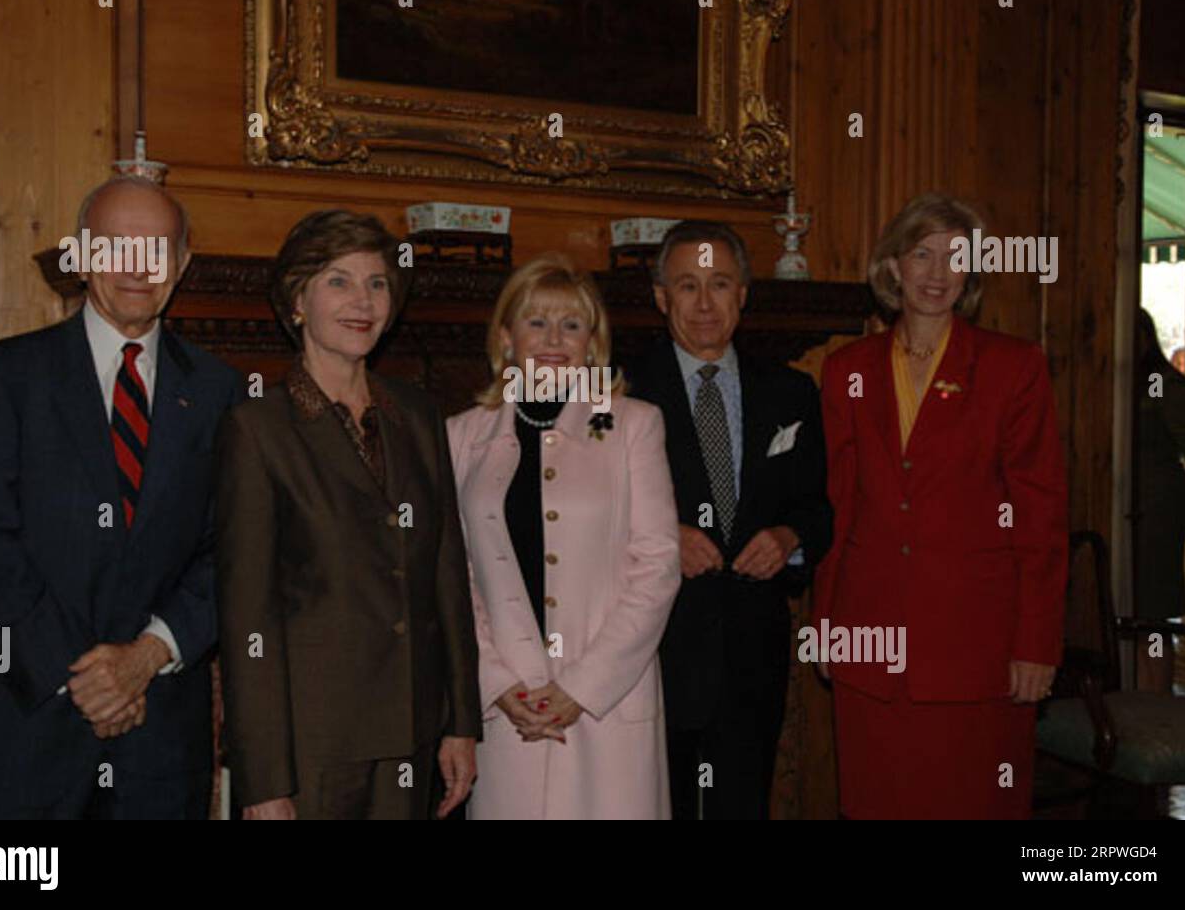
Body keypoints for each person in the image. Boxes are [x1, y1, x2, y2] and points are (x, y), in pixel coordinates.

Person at [0, 176, 243, 818]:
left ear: (182, 264)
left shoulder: (223, 394)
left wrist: (145, 659)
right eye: (115, 247)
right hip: (27, 734)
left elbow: (235, 550)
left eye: (156, 249)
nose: (136, 268)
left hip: (161, 744)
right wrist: (89, 683)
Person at [216, 209, 480, 820]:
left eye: (378, 283)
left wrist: (461, 721)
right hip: (313, 751)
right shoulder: (256, 431)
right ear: (297, 299)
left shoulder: (417, 416)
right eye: (339, 280)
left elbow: (447, 575)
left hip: (415, 739)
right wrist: (262, 781)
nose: (362, 300)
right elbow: (245, 618)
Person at [812, 192, 1068, 819]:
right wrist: (824, 621)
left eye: (955, 257)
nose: (936, 272)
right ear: (893, 266)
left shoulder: (1014, 367)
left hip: (977, 647)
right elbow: (836, 508)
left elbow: (1040, 512)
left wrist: (1037, 643)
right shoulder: (846, 370)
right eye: (921, 253)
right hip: (867, 641)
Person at [447, 254, 680, 819]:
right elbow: (455, 578)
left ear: (591, 342)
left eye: (571, 324)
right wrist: (496, 683)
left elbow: (657, 565)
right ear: (506, 337)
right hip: (508, 715)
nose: (554, 339)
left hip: (608, 708)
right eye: (536, 322)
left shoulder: (631, 424)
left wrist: (581, 687)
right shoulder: (460, 435)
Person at [626, 221, 832, 820]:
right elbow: (586, 520)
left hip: (752, 656)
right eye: (687, 286)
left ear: (744, 293)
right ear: (661, 297)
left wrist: (789, 537)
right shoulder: (621, 389)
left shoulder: (791, 393)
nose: (705, 303)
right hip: (652, 656)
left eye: (720, 284)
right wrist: (665, 540)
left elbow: (818, 508)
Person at [1134, 310, 1185, 692]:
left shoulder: (1160, 383)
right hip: (1139, 507)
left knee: (1155, 609)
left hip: (1158, 508)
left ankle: (1158, 696)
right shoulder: (1118, 383)